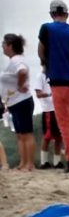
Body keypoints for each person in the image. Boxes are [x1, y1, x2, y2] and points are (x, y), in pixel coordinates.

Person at [38, 0, 69, 174]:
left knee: (64, 124)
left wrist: (46, 64)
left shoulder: (47, 29)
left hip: (59, 82)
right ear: (66, 14)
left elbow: (40, 50)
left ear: (52, 14)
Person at [1, 34, 35, 171]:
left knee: (26, 133)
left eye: (4, 44)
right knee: (20, 134)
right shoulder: (12, 61)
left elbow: (22, 71)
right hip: (14, 102)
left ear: (10, 45)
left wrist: (20, 85)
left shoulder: (17, 60)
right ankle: (23, 162)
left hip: (22, 101)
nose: (2, 47)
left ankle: (29, 163)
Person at [35, 63, 63, 168]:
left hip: (58, 108)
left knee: (59, 137)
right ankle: (44, 162)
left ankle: (57, 162)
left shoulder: (56, 75)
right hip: (48, 110)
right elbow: (38, 94)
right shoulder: (40, 76)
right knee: (47, 136)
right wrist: (50, 94)